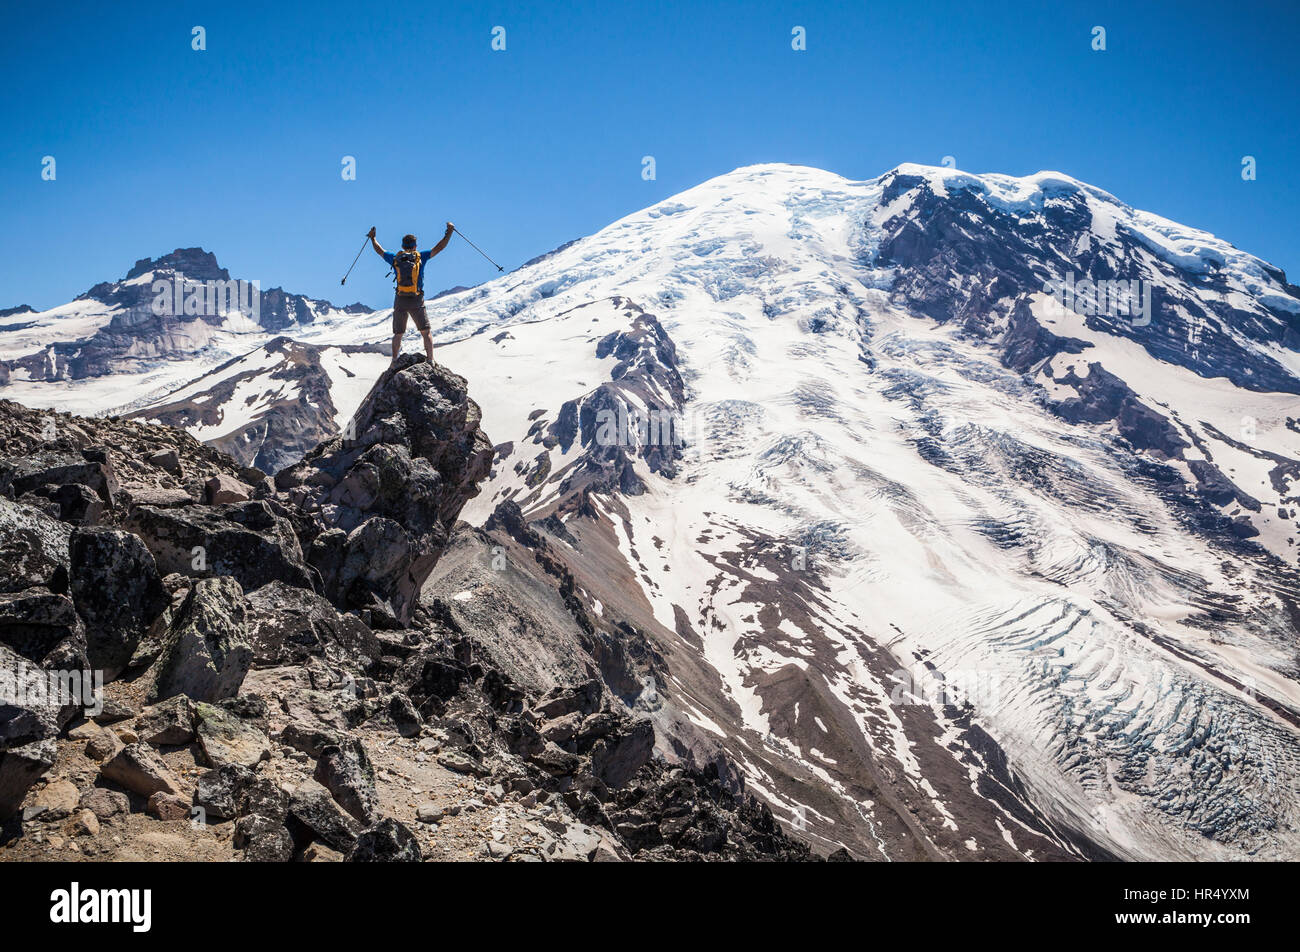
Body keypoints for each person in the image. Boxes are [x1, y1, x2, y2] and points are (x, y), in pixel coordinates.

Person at [368, 222, 454, 363]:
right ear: (415, 246)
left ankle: (394, 361)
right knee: (425, 332)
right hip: (416, 299)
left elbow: (379, 250)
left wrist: (372, 238)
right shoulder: (421, 256)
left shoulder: (395, 258)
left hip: (400, 298)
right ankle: (430, 360)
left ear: (402, 246)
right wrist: (449, 232)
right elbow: (440, 247)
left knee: (398, 334)